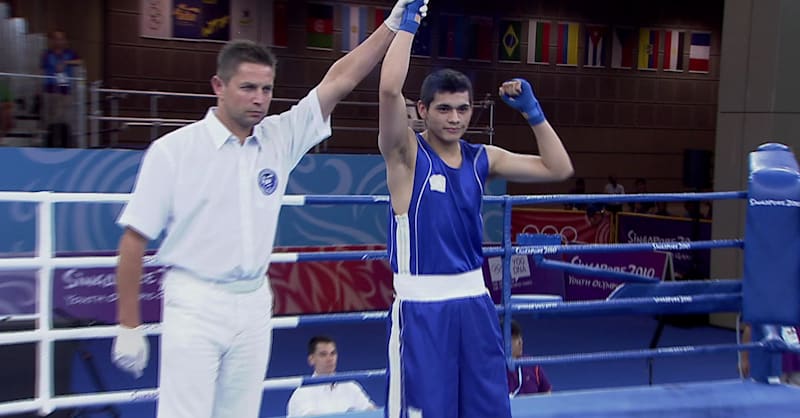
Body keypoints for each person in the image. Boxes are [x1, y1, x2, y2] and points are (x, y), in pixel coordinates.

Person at [110, 2, 429, 418]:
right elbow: (134, 240)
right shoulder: (174, 151)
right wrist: (128, 324)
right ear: (218, 86)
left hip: (254, 302)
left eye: (266, 89)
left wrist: (390, 25)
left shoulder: (278, 138)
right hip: (195, 302)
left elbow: (340, 80)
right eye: (248, 88)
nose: (259, 99)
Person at [377, 12, 573, 417]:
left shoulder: (483, 158)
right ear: (423, 109)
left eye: (462, 109)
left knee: (486, 407)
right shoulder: (406, 156)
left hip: (475, 301)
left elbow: (558, 168)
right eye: (444, 109)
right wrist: (408, 23)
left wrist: (534, 112)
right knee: (427, 410)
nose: (454, 118)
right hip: (422, 305)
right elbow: (389, 89)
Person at [286, 336, 377, 417]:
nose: (330, 359)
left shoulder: (350, 386)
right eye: (323, 354)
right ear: (311, 360)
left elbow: (371, 411)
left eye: (333, 353)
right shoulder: (302, 393)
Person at [40, 29, 82, 147]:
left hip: (64, 89)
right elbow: (42, 69)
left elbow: (79, 62)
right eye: (56, 39)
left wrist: (66, 63)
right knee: (52, 118)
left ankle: (65, 143)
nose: (59, 41)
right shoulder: (47, 54)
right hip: (50, 89)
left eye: (61, 39)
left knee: (64, 118)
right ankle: (50, 143)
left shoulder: (69, 53)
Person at [507, 320, 552, 396]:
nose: (520, 342)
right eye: (515, 338)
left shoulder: (532, 364)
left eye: (520, 337)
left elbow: (547, 392)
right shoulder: (495, 370)